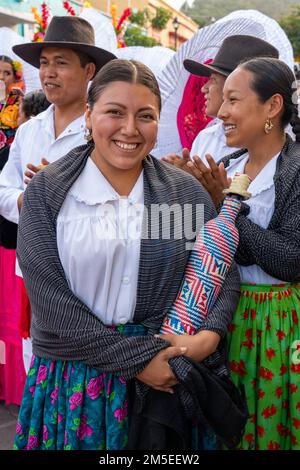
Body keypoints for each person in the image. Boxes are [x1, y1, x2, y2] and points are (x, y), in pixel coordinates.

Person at [14, 59, 240, 450]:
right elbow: (51, 304)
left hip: (166, 382)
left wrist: (208, 337)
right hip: (76, 382)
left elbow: (216, 269)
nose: (130, 129)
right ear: (88, 115)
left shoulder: (176, 195)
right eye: (114, 112)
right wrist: (139, 362)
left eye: (145, 116)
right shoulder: (51, 193)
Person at [0, 15, 116, 407]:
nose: (48, 73)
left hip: (87, 272)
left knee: (85, 372)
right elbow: (4, 187)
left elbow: (119, 199)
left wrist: (60, 190)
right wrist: (26, 200)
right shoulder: (31, 130)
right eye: (44, 62)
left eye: (60, 63)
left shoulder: (104, 128)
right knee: (38, 357)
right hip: (34, 268)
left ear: (89, 71)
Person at [187, 57, 300, 449]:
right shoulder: (229, 164)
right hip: (222, 317)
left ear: (272, 107)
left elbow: (290, 259)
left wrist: (225, 207)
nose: (221, 111)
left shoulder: (295, 168)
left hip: (276, 323)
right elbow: (200, 243)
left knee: (267, 424)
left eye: (233, 100)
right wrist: (181, 191)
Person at [162, 35, 278, 170]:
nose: (203, 88)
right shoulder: (206, 137)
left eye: (213, 79)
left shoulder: (277, 151)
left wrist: (218, 191)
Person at [0, 55, 24, 171]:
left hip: (9, 162)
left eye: (7, 73)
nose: (1, 77)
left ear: (15, 77)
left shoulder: (20, 102)